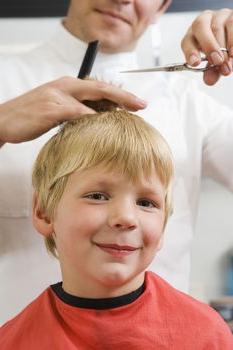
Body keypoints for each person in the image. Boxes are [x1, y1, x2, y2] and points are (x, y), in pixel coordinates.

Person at [1, 0, 233, 323]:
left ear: (163, 5)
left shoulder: (189, 104)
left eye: (147, 202)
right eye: (97, 196)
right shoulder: (5, 81)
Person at [0, 103, 232, 349]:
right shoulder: (12, 341)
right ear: (44, 212)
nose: (126, 218)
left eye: (146, 202)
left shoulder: (205, 336)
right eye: (98, 196)